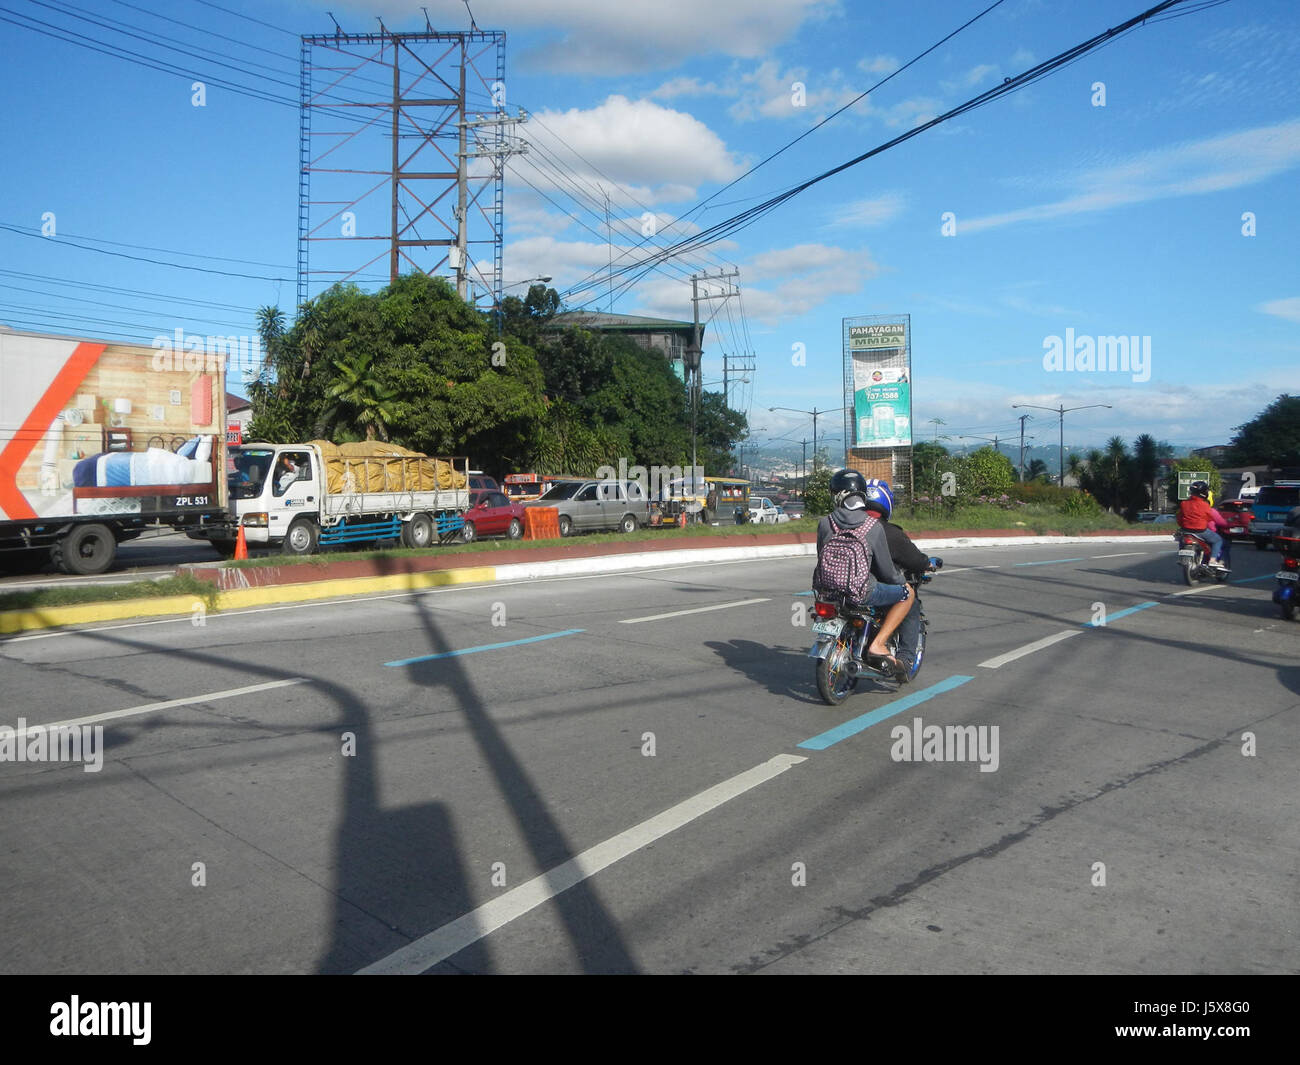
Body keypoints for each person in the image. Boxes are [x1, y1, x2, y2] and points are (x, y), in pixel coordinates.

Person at [814, 469, 913, 677]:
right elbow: (888, 572)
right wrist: (902, 581)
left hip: (827, 592)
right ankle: (878, 644)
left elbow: (820, 556)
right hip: (861, 592)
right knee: (907, 594)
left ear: (838, 495)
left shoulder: (825, 522)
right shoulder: (872, 526)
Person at [863, 479, 938, 681]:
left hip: (838, 587)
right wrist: (926, 563)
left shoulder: (846, 526)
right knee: (910, 602)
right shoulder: (890, 533)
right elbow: (915, 560)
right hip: (872, 589)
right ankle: (904, 660)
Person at [1175, 480, 1226, 569]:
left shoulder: (1184, 503)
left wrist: (1184, 525)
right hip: (1201, 531)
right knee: (1218, 540)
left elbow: (1179, 518)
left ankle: (1182, 555)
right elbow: (1209, 518)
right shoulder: (1205, 505)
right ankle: (1212, 560)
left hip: (1186, 530)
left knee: (1181, 539)